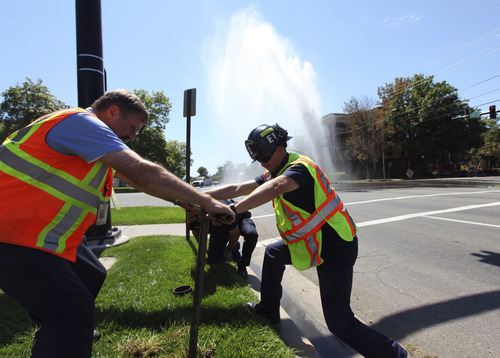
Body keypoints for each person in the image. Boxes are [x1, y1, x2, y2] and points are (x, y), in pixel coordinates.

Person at [0, 89, 234, 358]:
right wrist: (206, 200)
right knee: (73, 307)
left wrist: (183, 202)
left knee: (91, 274)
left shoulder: (88, 137)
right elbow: (142, 173)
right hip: (13, 233)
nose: (133, 137)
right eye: (132, 127)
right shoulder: (83, 123)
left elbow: (134, 179)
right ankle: (63, 329)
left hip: (44, 232)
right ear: (111, 111)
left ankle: (62, 331)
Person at [205, 123, 408, 357]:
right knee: (273, 254)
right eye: (259, 158)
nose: (262, 162)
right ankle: (268, 310)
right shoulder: (274, 170)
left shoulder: (299, 168)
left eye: (266, 156)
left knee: (339, 323)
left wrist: (235, 210)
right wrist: (200, 195)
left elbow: (277, 187)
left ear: (281, 148)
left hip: (336, 246)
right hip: (315, 240)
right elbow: (239, 187)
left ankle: (396, 354)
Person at [184, 199, 258, 278]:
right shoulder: (192, 217)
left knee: (251, 234)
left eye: (196, 216)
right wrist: (203, 248)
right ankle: (233, 246)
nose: (194, 219)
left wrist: (229, 249)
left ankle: (242, 264)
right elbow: (195, 230)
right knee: (214, 261)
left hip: (238, 217)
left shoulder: (220, 212)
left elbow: (235, 233)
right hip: (222, 225)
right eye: (192, 216)